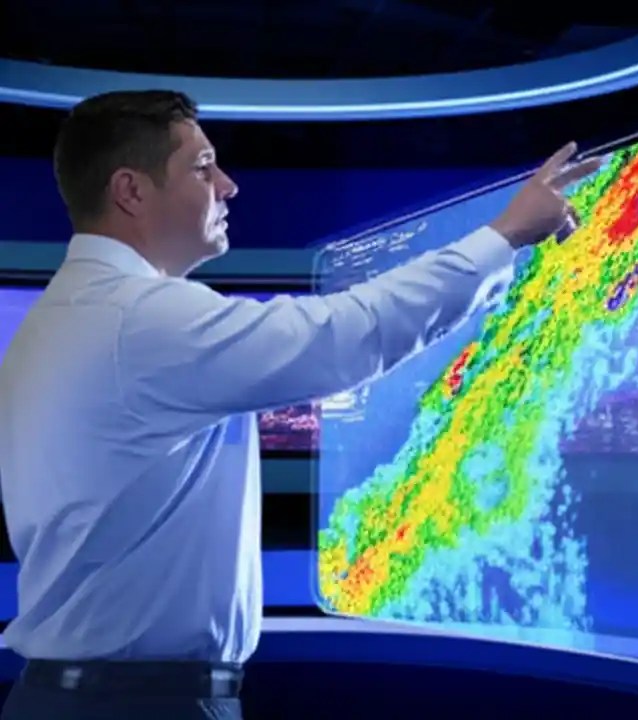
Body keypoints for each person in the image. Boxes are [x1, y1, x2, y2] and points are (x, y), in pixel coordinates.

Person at [0, 89, 601, 720]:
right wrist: (503, 236)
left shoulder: (58, 321)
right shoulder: (137, 321)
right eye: (203, 167)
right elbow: (346, 332)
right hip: (139, 707)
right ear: (131, 190)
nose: (227, 186)